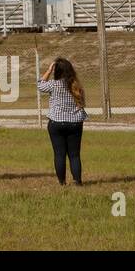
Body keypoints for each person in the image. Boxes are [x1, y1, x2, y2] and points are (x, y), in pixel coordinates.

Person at [37, 57, 87, 185]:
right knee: (74, 155)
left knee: (59, 154)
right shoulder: (77, 86)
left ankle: (62, 183)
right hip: (75, 122)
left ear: (57, 71)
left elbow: (40, 85)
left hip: (57, 122)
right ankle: (77, 181)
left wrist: (48, 71)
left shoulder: (54, 84)